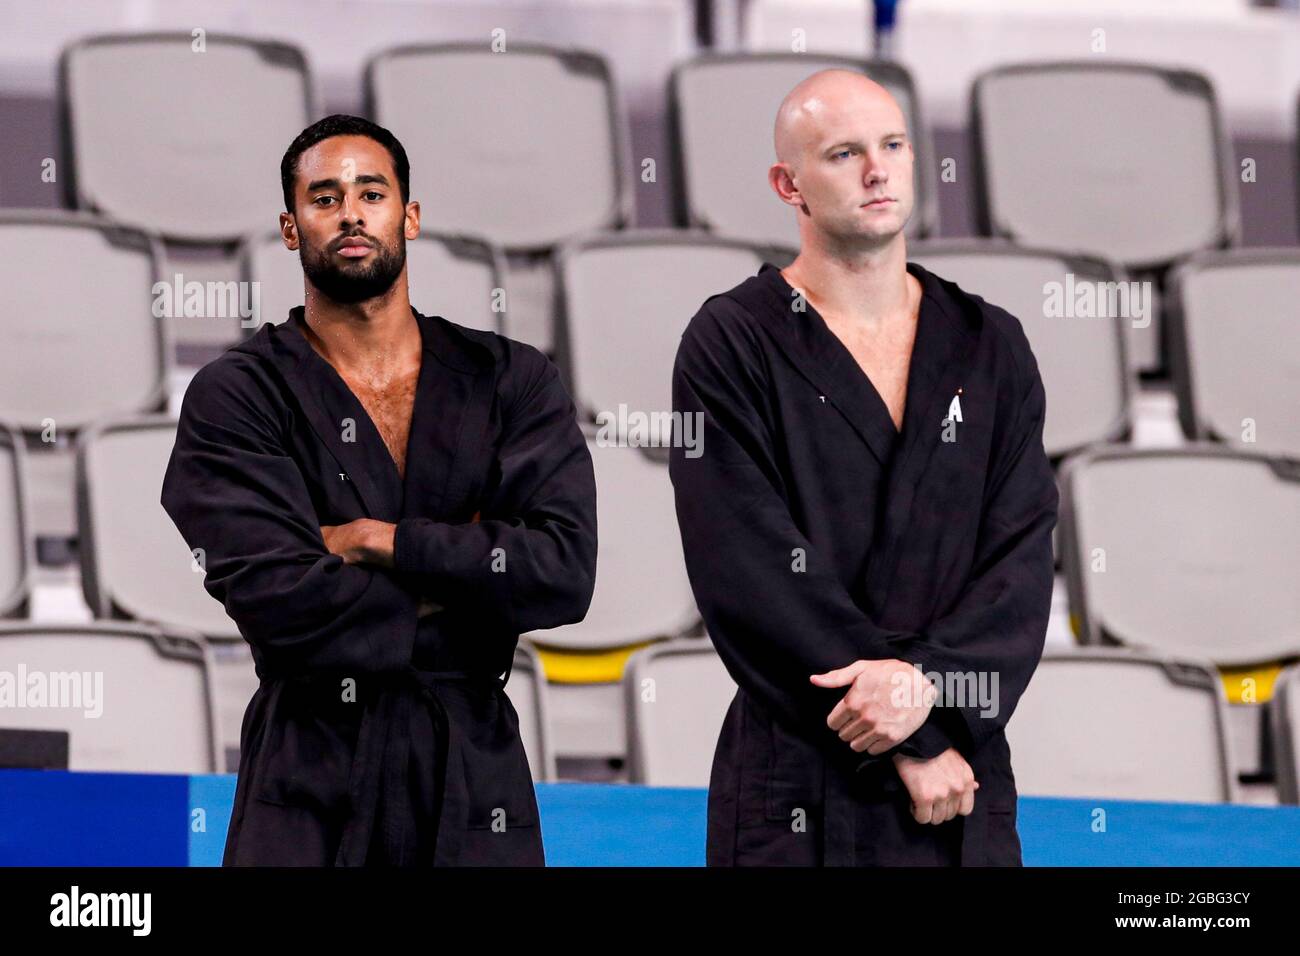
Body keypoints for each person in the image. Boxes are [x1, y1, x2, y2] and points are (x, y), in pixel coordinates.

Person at [161, 115, 597, 866]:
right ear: (291, 229)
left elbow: (559, 571)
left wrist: (379, 541)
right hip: (307, 767)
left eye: (372, 192)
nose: (352, 213)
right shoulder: (236, 394)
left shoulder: (509, 378)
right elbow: (275, 593)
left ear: (410, 216)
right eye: (324, 198)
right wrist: (466, 567)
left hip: (470, 766)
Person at [669, 71, 1058, 865]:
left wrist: (931, 700)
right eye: (844, 153)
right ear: (789, 186)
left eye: (892, 146)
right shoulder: (730, 344)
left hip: (961, 776)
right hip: (800, 784)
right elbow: (744, 568)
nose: (877, 171)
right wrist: (911, 738)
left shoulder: (990, 345)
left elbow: (1019, 562)